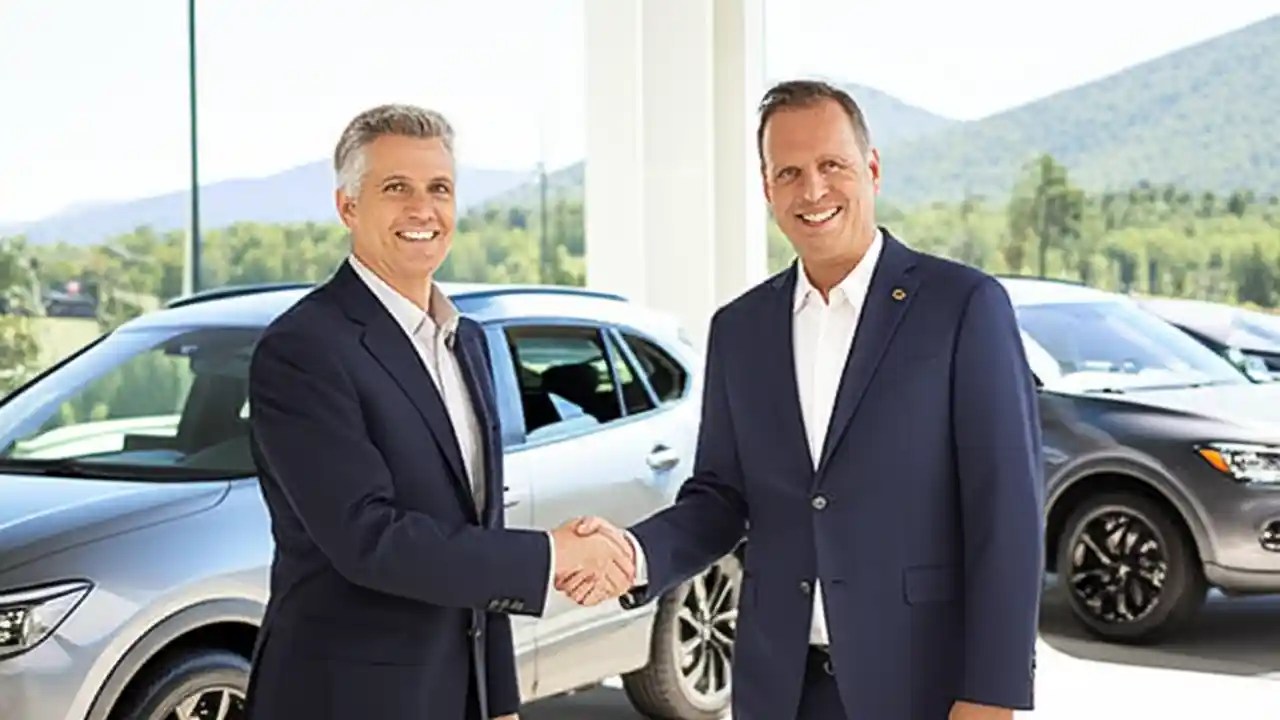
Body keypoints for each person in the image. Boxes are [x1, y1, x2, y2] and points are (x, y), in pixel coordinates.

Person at [560, 80, 1045, 719]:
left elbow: (1006, 513)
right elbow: (720, 499)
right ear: (767, 189)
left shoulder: (962, 307)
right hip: (778, 689)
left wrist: (991, 696)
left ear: (870, 170)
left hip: (920, 687)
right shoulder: (739, 329)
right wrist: (636, 553)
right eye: (788, 172)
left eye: (831, 166)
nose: (812, 191)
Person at [242, 104, 634, 720]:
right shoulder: (304, 349)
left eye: (440, 189)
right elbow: (368, 538)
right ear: (348, 207)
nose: (423, 209)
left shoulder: (468, 341)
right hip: (343, 699)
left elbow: (482, 530)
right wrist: (553, 556)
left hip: (458, 695)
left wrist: (498, 698)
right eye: (396, 188)